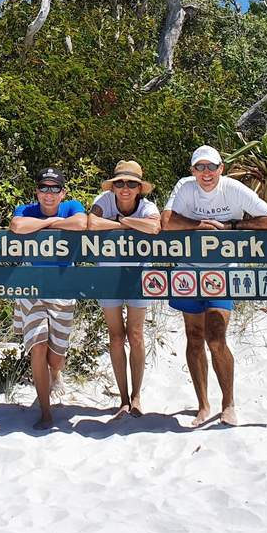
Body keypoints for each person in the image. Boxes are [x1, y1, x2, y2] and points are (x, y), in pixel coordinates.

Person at [160, 145, 267, 427]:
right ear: (192, 171)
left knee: (215, 338)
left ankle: (228, 403)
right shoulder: (185, 187)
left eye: (211, 167)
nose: (206, 173)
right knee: (193, 337)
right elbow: (167, 222)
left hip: (223, 274)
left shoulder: (233, 189)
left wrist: (232, 226)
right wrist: (198, 225)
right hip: (188, 272)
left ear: (221, 168)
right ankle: (203, 405)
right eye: (200, 168)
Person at [8, 166, 88, 429]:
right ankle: (45, 411)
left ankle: (56, 374)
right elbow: (18, 226)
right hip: (31, 288)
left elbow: (80, 223)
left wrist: (42, 226)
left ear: (63, 192)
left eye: (55, 189)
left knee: (56, 356)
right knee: (38, 346)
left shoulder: (72, 206)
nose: (49, 194)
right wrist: (50, 223)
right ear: (37, 191)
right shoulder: (26, 210)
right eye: (44, 188)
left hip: (63, 288)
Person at [86, 160, 161, 419]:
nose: (125, 188)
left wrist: (121, 220)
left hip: (138, 277)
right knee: (116, 337)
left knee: (136, 335)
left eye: (131, 183)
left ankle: (138, 395)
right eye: (120, 183)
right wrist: (124, 225)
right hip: (108, 276)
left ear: (139, 188)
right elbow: (92, 223)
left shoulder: (148, 206)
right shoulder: (104, 200)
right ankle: (124, 398)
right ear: (113, 186)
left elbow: (154, 226)